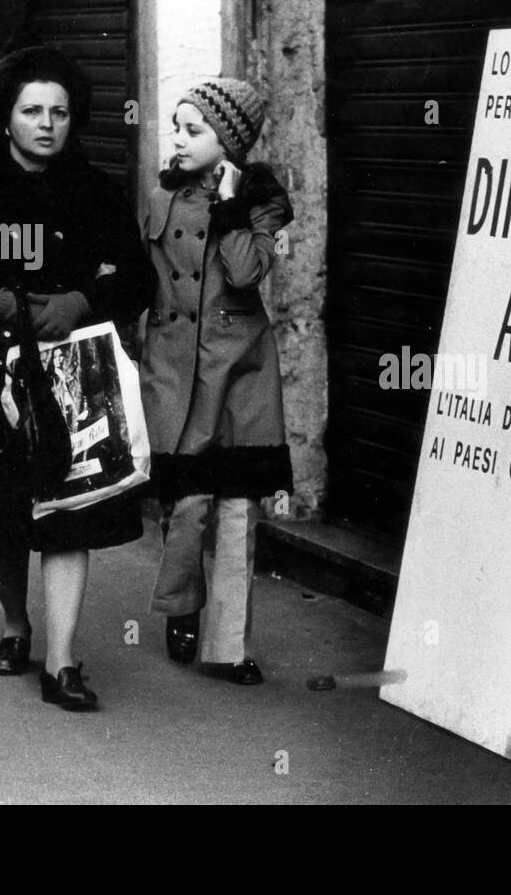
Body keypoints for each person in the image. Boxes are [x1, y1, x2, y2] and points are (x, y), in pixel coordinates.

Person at [0, 46, 155, 710]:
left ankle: (63, 661)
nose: (48, 124)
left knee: (70, 510)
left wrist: (82, 301)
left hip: (74, 376)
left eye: (60, 112)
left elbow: (136, 275)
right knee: (3, 510)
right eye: (33, 110)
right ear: (6, 115)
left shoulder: (95, 190)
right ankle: (17, 623)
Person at [140, 79, 294, 684]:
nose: (177, 139)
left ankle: (229, 646)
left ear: (227, 141)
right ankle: (182, 605)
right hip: (175, 370)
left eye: (192, 129)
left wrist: (230, 205)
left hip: (240, 374)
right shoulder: (159, 198)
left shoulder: (263, 202)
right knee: (187, 503)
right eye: (175, 126)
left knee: (236, 506)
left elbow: (245, 271)